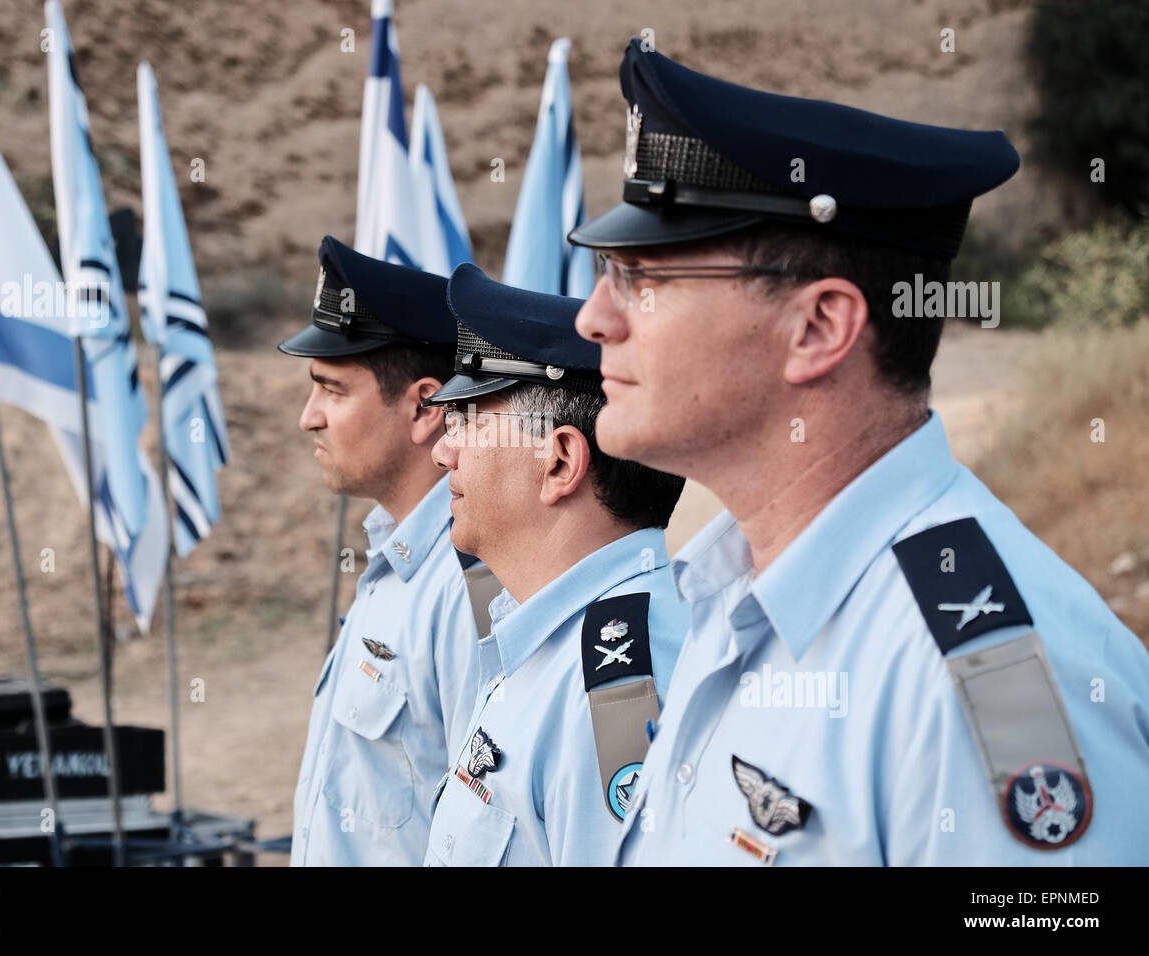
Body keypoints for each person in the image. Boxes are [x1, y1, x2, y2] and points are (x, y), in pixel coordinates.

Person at [569, 39, 1149, 865]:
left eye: (642, 279)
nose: (593, 318)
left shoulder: (978, 683)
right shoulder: (727, 592)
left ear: (818, 328)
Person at [420, 263, 687, 865]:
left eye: (468, 420)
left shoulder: (616, 690)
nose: (441, 451)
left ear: (560, 463)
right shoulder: (546, 637)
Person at [279, 236, 486, 866]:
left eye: (333, 391)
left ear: (426, 407)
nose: (308, 417)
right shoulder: (395, 564)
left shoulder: (467, 586)